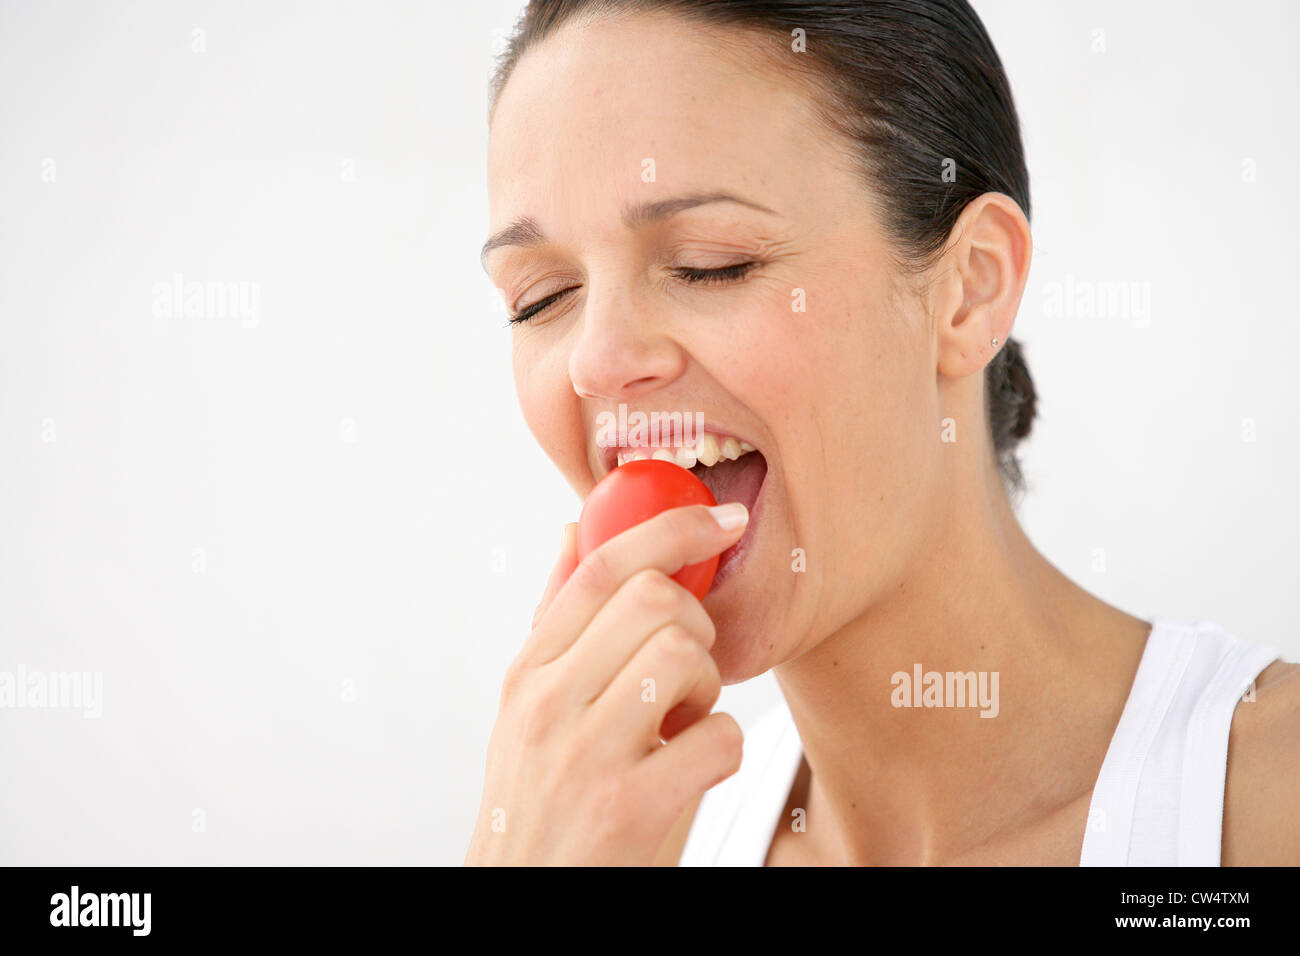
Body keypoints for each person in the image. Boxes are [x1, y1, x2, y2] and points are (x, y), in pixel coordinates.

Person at [467, 0, 1300, 866]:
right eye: (541, 299)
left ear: (971, 288)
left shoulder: (1272, 797)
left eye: (711, 264)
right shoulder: (626, 841)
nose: (595, 362)